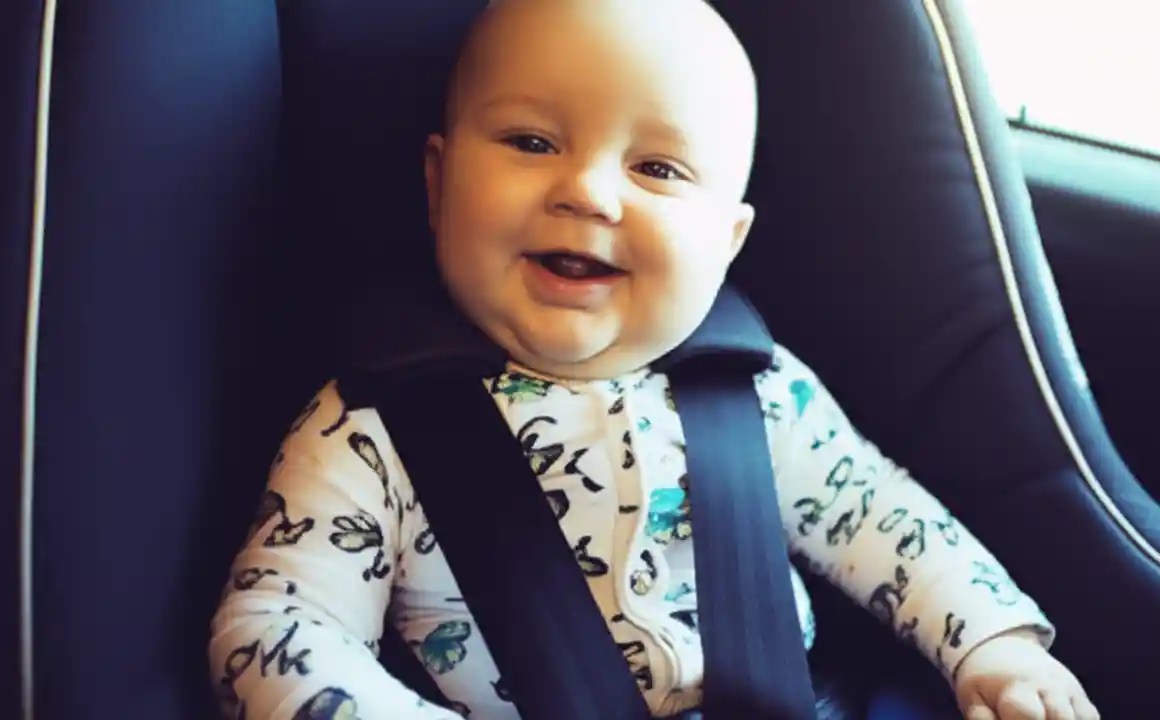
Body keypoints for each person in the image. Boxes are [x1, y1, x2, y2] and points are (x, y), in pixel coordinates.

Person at [209, 1, 1099, 718]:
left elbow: (883, 522)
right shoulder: (366, 428)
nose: (588, 192)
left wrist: (991, 641)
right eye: (531, 142)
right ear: (438, 186)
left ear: (727, 240)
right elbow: (277, 628)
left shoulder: (759, 393)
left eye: (660, 170)